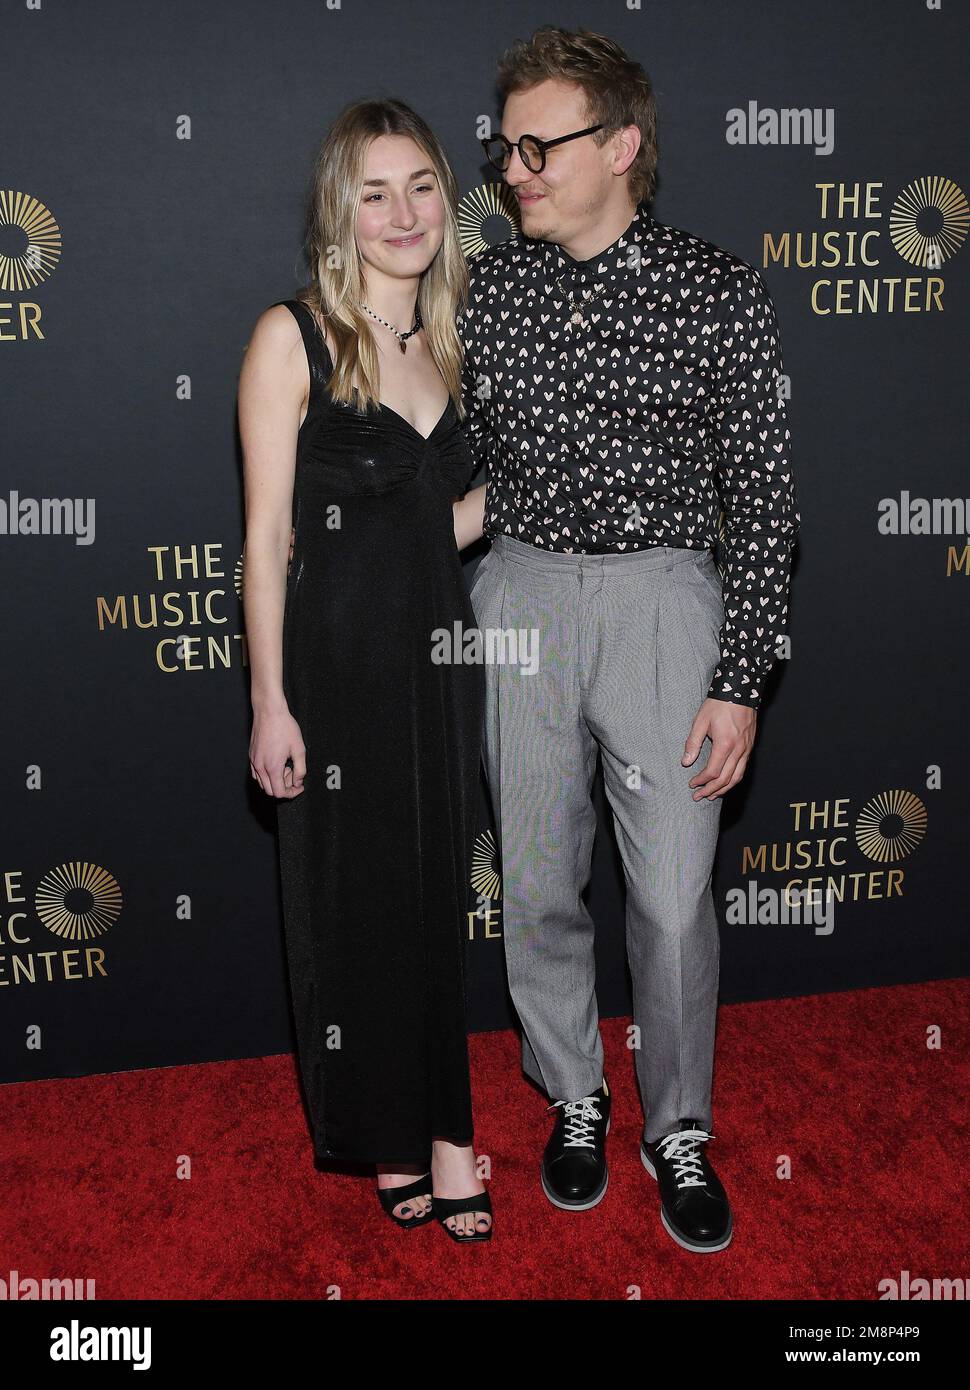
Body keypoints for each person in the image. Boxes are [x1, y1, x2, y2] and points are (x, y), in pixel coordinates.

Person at [459, 26, 799, 1253]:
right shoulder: (487, 287)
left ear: (622, 147)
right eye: (506, 146)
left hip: (664, 606)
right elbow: (463, 473)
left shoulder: (712, 286)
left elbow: (762, 496)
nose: (514, 166)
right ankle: (574, 1095)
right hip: (523, 601)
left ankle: (679, 1124)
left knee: (666, 900)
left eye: (540, 143)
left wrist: (740, 674)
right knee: (539, 881)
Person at [240, 98, 492, 1242]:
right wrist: (268, 701)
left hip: (440, 660)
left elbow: (437, 523)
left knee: (440, 897)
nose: (403, 213)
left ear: (449, 197)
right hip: (335, 670)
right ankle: (398, 1134)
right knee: (364, 906)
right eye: (375, 193)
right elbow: (262, 537)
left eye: (422, 187)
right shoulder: (289, 336)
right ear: (341, 214)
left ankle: (445, 1134)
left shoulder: (458, 337)